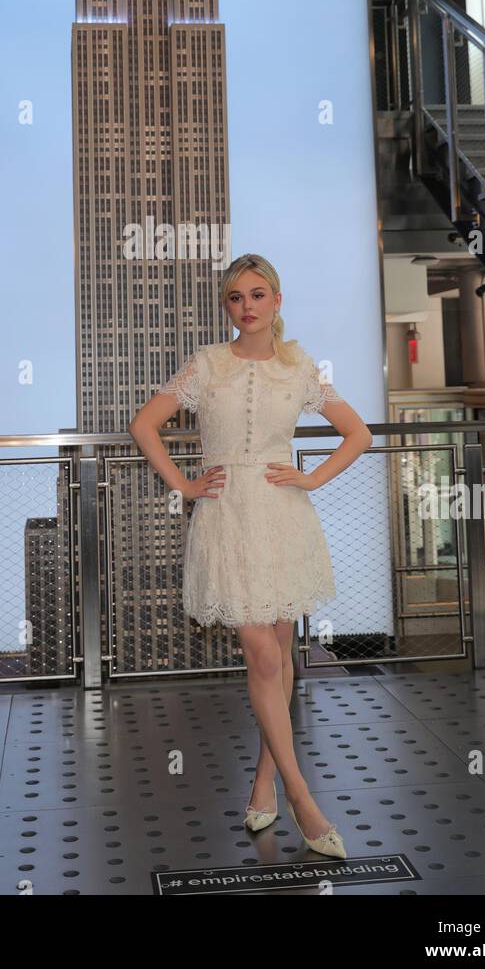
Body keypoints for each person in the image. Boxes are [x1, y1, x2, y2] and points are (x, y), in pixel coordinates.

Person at [128, 253, 372, 859]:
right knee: (264, 656)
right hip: (226, 517)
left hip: (284, 518)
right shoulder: (207, 365)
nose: (247, 307)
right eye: (236, 298)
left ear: (277, 302)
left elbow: (359, 434)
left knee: (281, 659)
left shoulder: (299, 368)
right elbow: (143, 425)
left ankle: (263, 783)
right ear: (228, 306)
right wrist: (184, 486)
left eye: (258, 295)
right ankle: (301, 798)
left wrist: (311, 479)